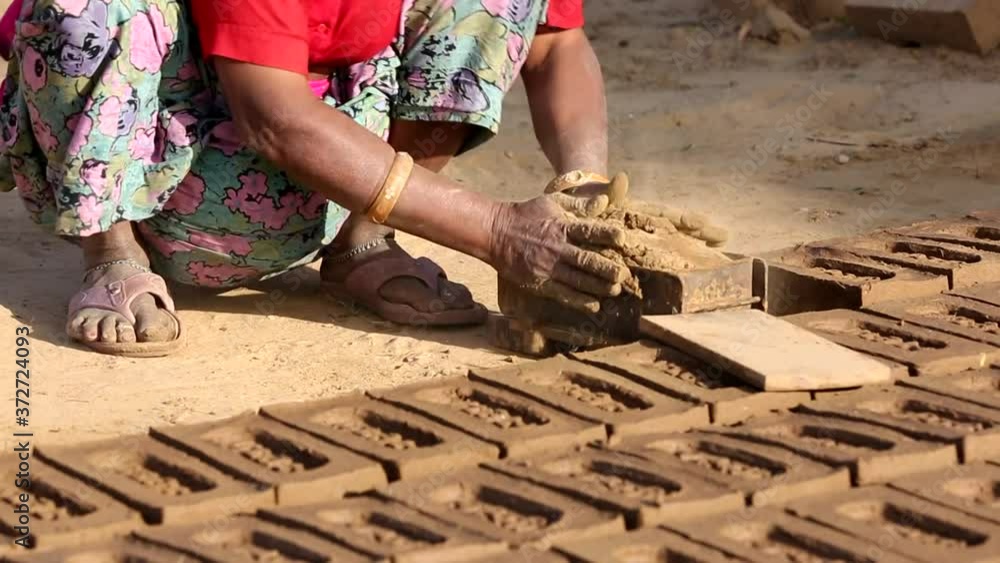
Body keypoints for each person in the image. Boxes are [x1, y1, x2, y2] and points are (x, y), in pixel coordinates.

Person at [0, 0, 628, 356]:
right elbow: (274, 119)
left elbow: (556, 44)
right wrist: (497, 231)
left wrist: (584, 186)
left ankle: (361, 243)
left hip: (340, 172)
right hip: (166, 171)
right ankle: (110, 250)